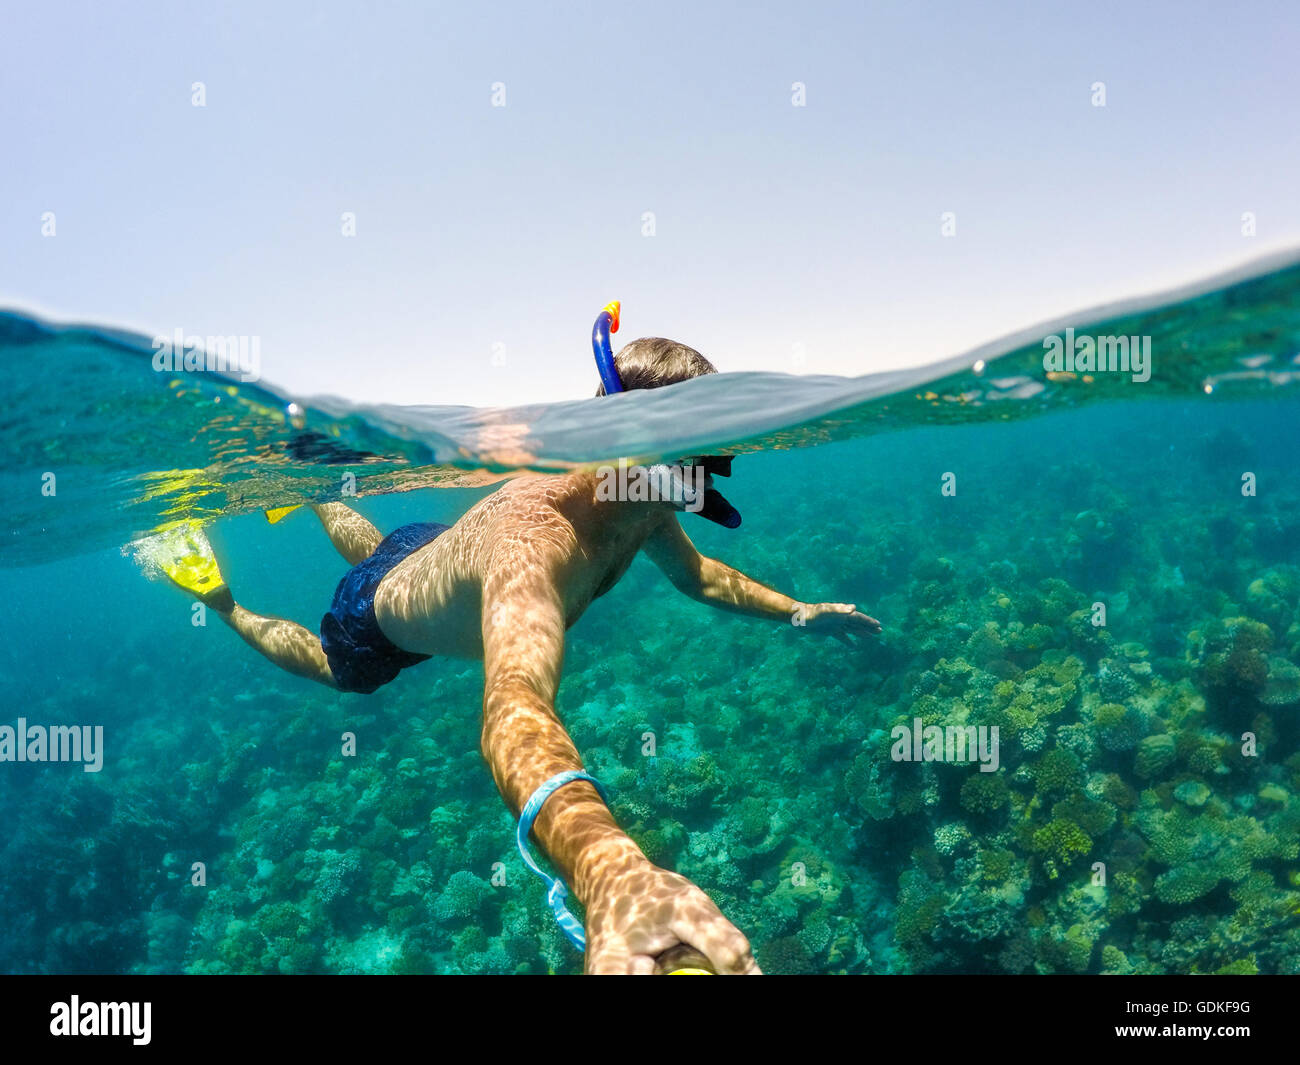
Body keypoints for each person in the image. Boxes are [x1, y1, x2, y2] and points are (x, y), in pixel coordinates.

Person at [165, 324, 882, 975]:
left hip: (427, 552)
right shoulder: (534, 546)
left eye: (708, 466)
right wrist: (610, 871)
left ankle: (319, 492)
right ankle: (222, 600)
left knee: (384, 549)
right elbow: (512, 707)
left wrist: (798, 612)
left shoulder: (643, 494)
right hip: (378, 621)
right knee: (339, 670)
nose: (695, 488)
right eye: (687, 466)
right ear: (620, 437)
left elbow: (697, 574)